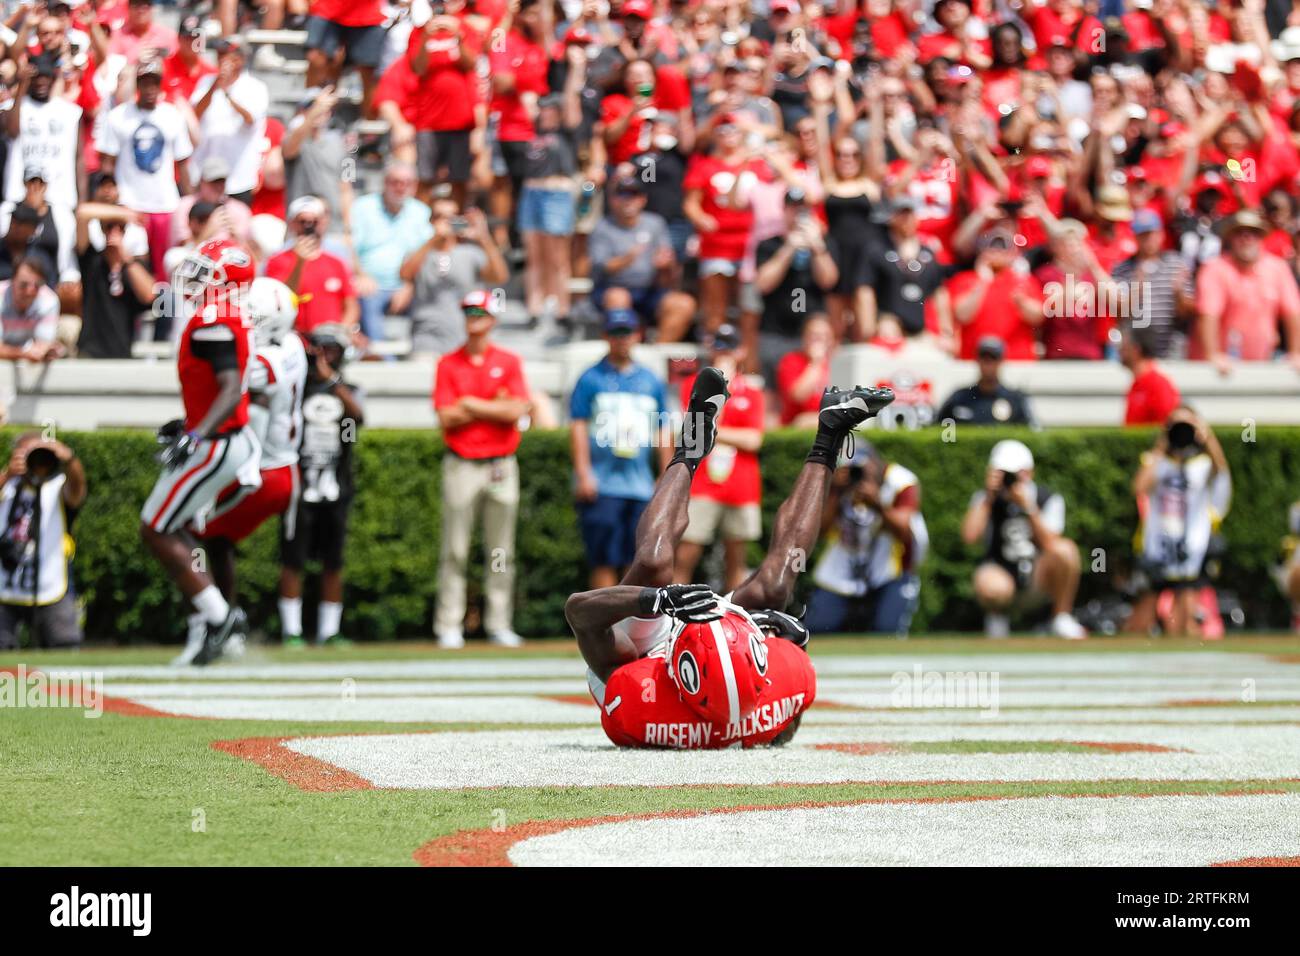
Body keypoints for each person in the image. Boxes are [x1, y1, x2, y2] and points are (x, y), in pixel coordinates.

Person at [564, 373, 894, 749]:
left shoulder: (634, 687)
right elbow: (786, 723)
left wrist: (655, 601)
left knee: (654, 566)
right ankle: (829, 437)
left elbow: (579, 612)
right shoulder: (772, 700)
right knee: (774, 586)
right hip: (730, 660)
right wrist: (792, 641)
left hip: (648, 654)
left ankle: (690, 446)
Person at [139, 237, 260, 666]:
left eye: (203, 272)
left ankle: (220, 616)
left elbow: (229, 391)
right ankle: (211, 620)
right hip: (222, 437)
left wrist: (196, 433)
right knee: (180, 528)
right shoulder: (226, 315)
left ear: (227, 280)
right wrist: (191, 424)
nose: (192, 280)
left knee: (154, 527)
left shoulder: (214, 319)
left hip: (217, 443)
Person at [174, 279, 307, 664]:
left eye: (252, 315)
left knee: (185, 529)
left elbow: (244, 389)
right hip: (277, 469)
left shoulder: (270, 360)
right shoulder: (291, 344)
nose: (243, 321)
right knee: (215, 539)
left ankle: (212, 624)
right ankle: (223, 624)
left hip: (266, 473)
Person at [432, 290, 531, 649]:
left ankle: (499, 622)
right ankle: (448, 623)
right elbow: (446, 416)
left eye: (480, 311)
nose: (473, 317)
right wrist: (495, 405)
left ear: (492, 319)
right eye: (469, 311)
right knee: (455, 548)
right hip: (462, 462)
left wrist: (471, 404)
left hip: (500, 463)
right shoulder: (448, 363)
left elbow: (518, 409)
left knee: (501, 550)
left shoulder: (508, 361)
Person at [569, 307, 670, 589]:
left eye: (626, 333)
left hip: (640, 485)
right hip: (603, 484)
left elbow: (663, 427)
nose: (621, 339)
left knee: (638, 559)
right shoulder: (590, 378)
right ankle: (604, 626)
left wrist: (665, 473)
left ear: (637, 335)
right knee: (603, 558)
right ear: (606, 336)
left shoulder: (651, 381)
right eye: (616, 333)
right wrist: (583, 472)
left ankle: (631, 627)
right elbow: (578, 426)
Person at [279, 323, 366, 648]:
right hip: (300, 488)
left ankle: (330, 631)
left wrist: (331, 380)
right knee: (292, 559)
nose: (325, 357)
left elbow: (357, 418)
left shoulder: (347, 388)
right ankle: (292, 630)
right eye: (320, 350)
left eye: (332, 351)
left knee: (334, 561)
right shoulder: (296, 388)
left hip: (336, 486)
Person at [960, 439, 1087, 639]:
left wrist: (1028, 507)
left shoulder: (1046, 498)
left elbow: (1051, 545)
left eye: (1015, 474)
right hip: (1001, 576)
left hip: (1038, 578)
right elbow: (969, 537)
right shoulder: (985, 499)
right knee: (991, 585)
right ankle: (996, 617)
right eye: (1004, 474)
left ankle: (1060, 617)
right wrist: (988, 498)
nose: (1010, 480)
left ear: (1029, 473)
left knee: (1066, 550)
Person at [673, 325, 765, 595]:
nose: (723, 352)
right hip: (703, 483)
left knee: (736, 560)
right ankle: (672, 619)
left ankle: (733, 620)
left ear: (741, 351)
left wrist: (716, 433)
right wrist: (720, 386)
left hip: (741, 486)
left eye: (729, 346)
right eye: (719, 346)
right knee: (687, 553)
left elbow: (754, 441)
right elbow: (699, 428)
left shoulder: (752, 391)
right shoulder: (693, 385)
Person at [1125, 406, 1231, 638]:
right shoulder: (1158, 462)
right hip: (1158, 547)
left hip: (1191, 548)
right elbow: (1139, 488)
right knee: (1145, 611)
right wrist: (1163, 443)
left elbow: (1220, 472)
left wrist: (1207, 437)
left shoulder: (1202, 464)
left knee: (1185, 613)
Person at [807, 443, 928, 636]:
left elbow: (904, 531)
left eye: (863, 467)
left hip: (888, 572)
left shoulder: (900, 481)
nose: (860, 474)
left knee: (886, 632)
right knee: (819, 629)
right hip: (842, 570)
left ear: (876, 462)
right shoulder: (839, 482)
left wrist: (878, 504)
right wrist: (836, 492)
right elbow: (818, 532)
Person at [96, 58, 193, 281]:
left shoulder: (172, 116)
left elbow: (183, 163)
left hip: (164, 204)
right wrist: (108, 201)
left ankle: (160, 312)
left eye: (154, 83)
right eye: (145, 83)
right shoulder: (118, 117)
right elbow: (108, 163)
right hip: (129, 205)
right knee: (129, 265)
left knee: (164, 270)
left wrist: (187, 202)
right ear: (137, 85)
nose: (150, 89)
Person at [0, 433, 87, 650]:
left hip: (51, 584)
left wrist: (70, 460)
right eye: (28, 453)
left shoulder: (58, 487)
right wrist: (8, 474)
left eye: (41, 453)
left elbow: (78, 489)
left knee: (65, 645)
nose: (35, 460)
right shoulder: (7, 485)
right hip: (4, 583)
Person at [1194, 209, 1300, 375]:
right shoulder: (1215, 268)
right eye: (1240, 233)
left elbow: (1293, 313)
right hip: (1223, 369)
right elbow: (1208, 315)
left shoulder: (1277, 268)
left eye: (1254, 233)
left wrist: (1296, 353)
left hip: (1262, 365)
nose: (1247, 238)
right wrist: (1213, 355)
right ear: (1231, 238)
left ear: (1261, 238)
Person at [587, 175, 693, 340]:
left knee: (683, 303)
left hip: (650, 291)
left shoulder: (656, 223)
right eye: (622, 195)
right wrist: (628, 259)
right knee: (618, 297)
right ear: (612, 200)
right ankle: (622, 353)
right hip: (612, 289)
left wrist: (667, 264)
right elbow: (602, 267)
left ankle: (657, 354)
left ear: (643, 199)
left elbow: (670, 275)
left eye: (633, 195)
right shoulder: (603, 227)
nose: (628, 200)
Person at [401, 202, 507, 357]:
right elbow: (405, 275)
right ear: (431, 221)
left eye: (451, 218)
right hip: (427, 335)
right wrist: (433, 240)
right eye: (439, 217)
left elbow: (499, 277)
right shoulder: (420, 253)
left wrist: (483, 238)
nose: (446, 222)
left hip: (465, 337)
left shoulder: (470, 253)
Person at [754, 187, 839, 380]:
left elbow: (829, 281)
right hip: (775, 333)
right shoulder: (769, 244)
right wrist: (789, 247)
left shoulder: (824, 244)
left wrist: (817, 247)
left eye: (803, 209)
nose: (798, 214)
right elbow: (762, 284)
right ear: (784, 210)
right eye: (793, 209)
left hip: (811, 336)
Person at [349, 162, 432, 343]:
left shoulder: (421, 212)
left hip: (408, 285)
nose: (400, 187)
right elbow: (350, 246)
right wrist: (361, 275)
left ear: (415, 185)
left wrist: (409, 285)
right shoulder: (363, 207)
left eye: (406, 183)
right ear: (385, 182)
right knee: (366, 298)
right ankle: (379, 354)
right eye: (395, 182)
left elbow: (424, 254)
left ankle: (423, 349)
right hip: (369, 283)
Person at [191, 37, 270, 206]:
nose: (222, 60)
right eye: (220, 55)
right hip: (205, 174)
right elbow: (196, 113)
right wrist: (215, 86)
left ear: (240, 59)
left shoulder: (256, 87)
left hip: (239, 176)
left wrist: (227, 93)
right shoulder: (206, 82)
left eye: (227, 56)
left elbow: (250, 119)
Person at [265, 196, 359, 337]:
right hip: (294, 338)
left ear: (323, 222)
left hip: (329, 343)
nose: (308, 227)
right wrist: (299, 263)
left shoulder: (336, 263)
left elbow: (351, 306)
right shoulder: (277, 261)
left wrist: (339, 335)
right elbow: (279, 302)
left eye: (314, 221)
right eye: (302, 221)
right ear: (292, 224)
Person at [73, 199, 156, 359]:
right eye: (109, 226)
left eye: (120, 227)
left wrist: (126, 259)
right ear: (102, 229)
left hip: (121, 353)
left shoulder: (134, 266)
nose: (114, 232)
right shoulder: (91, 260)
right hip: (89, 352)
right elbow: (82, 213)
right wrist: (125, 214)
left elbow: (149, 295)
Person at [1111, 208, 1195, 359]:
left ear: (1160, 235)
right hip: (1137, 350)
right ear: (1135, 237)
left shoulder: (1176, 264)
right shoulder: (1122, 269)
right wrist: (1137, 287)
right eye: (1143, 235)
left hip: (1170, 347)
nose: (1148, 240)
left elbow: (1188, 313)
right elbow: (1119, 314)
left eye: (1151, 234)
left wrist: (1179, 293)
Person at [282, 85, 352, 228]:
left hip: (334, 226)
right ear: (301, 111)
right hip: (300, 226)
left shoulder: (340, 144)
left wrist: (348, 228)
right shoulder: (294, 138)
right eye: (311, 106)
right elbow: (289, 150)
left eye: (322, 108)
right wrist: (312, 115)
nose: (318, 111)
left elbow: (346, 187)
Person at [936, 336, 1035, 426]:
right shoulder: (959, 398)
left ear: (1001, 361)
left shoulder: (1015, 400)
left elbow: (1029, 433)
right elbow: (938, 429)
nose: (988, 363)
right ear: (977, 360)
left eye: (993, 358)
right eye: (984, 358)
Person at [170, 157, 255, 250]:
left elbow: (248, 253)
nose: (218, 187)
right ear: (202, 181)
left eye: (221, 181)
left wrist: (237, 237)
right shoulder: (185, 206)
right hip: (197, 260)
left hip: (228, 260)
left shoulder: (239, 210)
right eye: (213, 181)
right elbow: (183, 253)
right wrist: (208, 231)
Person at [775, 314, 835, 427]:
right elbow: (798, 396)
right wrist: (816, 363)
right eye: (814, 335)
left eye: (824, 336)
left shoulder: (836, 363)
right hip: (797, 424)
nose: (819, 339)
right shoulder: (791, 360)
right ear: (804, 337)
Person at [0, 257, 63, 361]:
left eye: (37, 285)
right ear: (12, 281)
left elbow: (42, 347)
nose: (30, 291)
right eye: (24, 285)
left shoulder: (49, 301)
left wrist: (43, 351)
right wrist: (24, 353)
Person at [1121, 326, 1181, 427]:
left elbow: (1166, 427)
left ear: (1136, 350)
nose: (1120, 350)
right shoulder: (1137, 384)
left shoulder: (1158, 385)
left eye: (1124, 346)